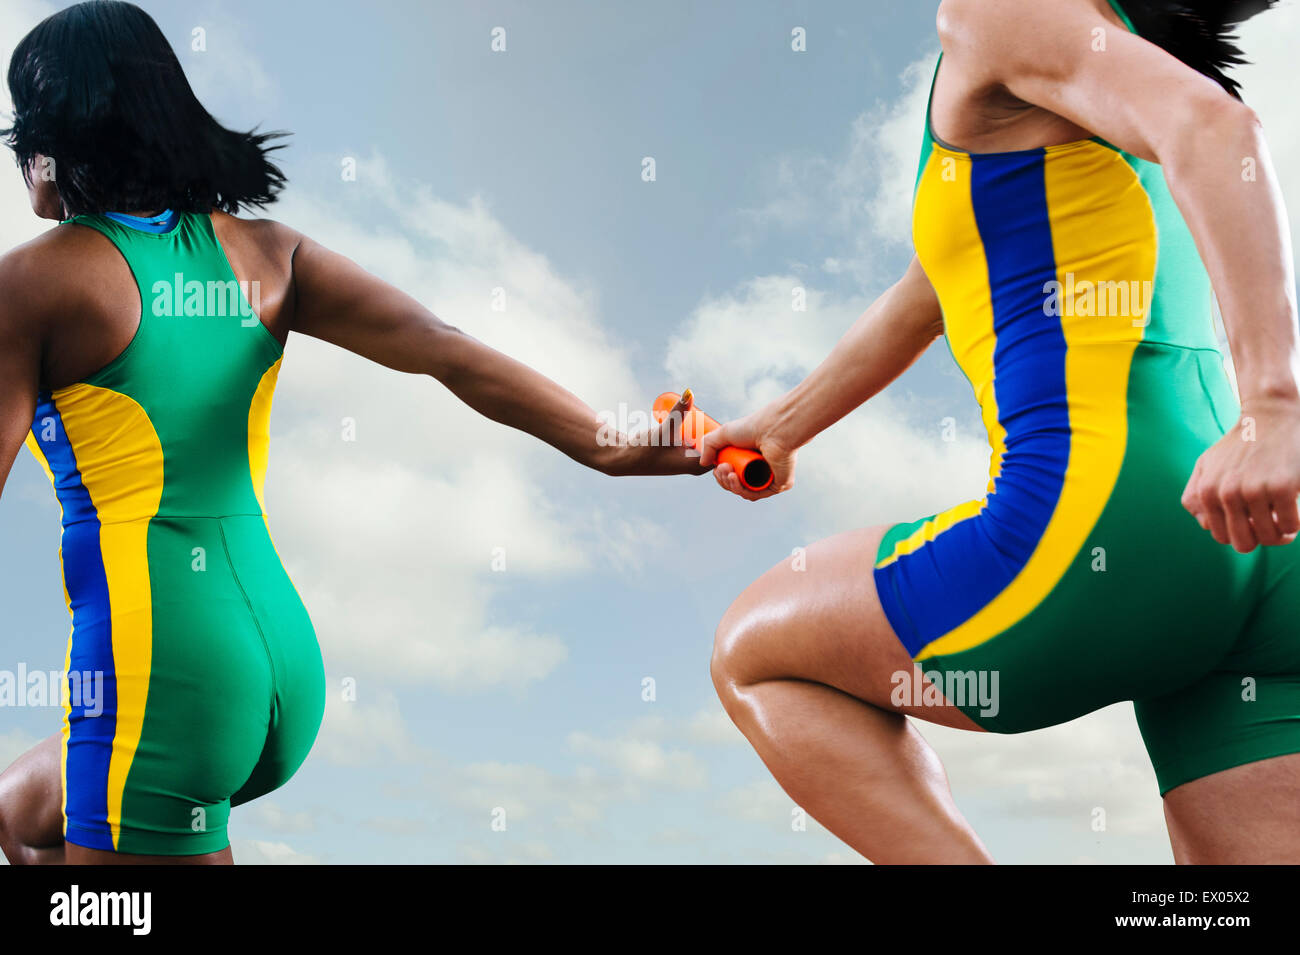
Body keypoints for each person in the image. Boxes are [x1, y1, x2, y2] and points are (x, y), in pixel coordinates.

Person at [0, 0, 700, 865]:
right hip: (279, 670)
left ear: (47, 142)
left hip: (160, 668)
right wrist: (618, 441)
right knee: (18, 811)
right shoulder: (268, 253)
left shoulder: (31, 283)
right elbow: (445, 348)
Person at [701, 0, 1300, 863]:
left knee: (754, 652)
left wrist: (1275, 408)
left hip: (1102, 520)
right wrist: (782, 427)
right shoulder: (1111, 57)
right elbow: (930, 293)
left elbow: (1218, 130)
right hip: (1255, 542)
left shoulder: (1001, 8)